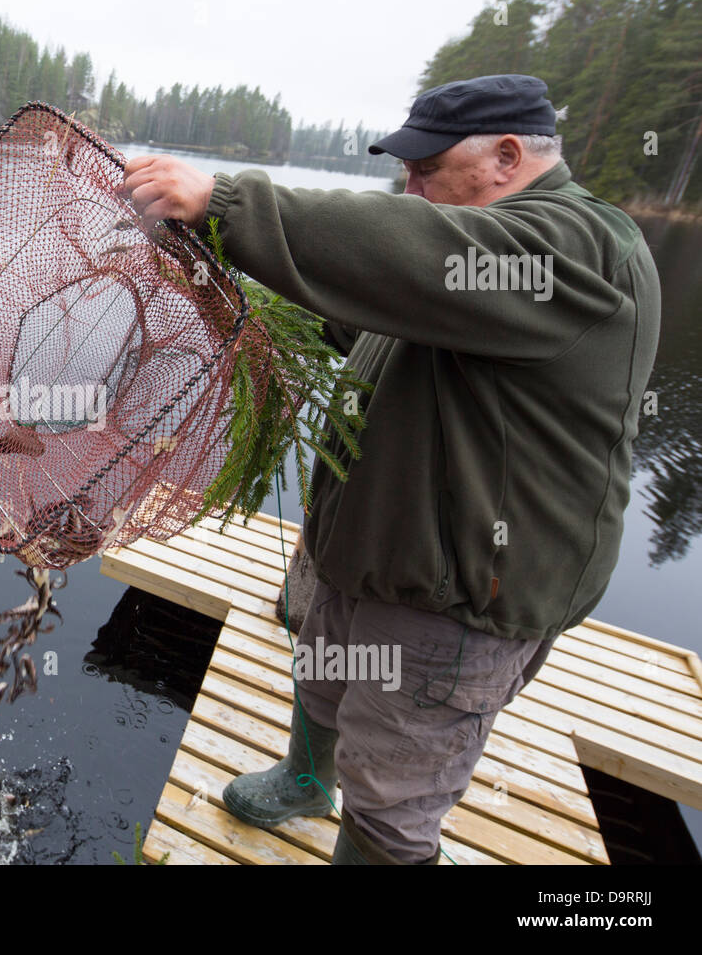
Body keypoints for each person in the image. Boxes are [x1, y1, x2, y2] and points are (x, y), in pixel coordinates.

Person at [116, 74, 661, 864]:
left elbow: (417, 257)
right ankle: (307, 779)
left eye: (426, 170)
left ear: (507, 156)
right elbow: (370, 310)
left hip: (457, 599)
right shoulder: (475, 255)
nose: (409, 189)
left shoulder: (578, 250)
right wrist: (233, 274)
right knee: (324, 662)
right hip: (371, 552)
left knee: (391, 802)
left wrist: (226, 206)